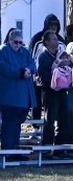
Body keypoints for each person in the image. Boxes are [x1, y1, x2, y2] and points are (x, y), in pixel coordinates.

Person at [0, 30, 37, 158]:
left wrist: (29, 70)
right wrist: (21, 72)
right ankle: (7, 151)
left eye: (20, 42)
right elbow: (4, 68)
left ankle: (14, 150)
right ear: (10, 40)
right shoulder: (3, 51)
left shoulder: (24, 52)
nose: (18, 45)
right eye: (15, 42)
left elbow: (32, 63)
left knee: (17, 125)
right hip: (9, 96)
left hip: (23, 97)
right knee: (8, 124)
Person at [37, 32, 73, 149]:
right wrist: (55, 68)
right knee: (50, 119)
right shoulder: (43, 56)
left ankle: (60, 147)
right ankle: (47, 148)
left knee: (64, 119)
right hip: (50, 92)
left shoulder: (61, 54)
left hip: (62, 91)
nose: (56, 41)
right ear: (47, 42)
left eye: (56, 39)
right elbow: (43, 76)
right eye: (53, 39)